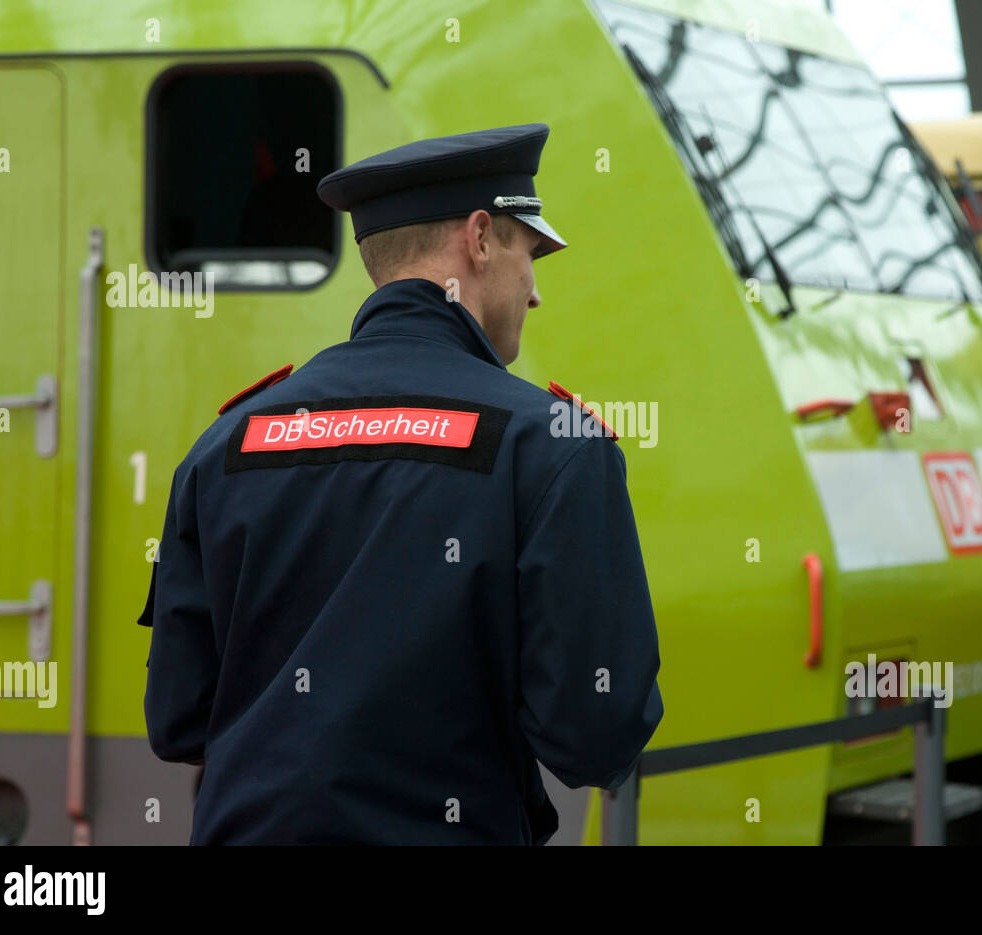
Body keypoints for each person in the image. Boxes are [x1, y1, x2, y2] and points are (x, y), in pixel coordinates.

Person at [137, 123, 663, 845]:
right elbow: (597, 736)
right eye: (530, 251)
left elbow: (179, 717)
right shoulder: (552, 444)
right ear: (479, 239)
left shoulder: (229, 442)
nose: (535, 291)